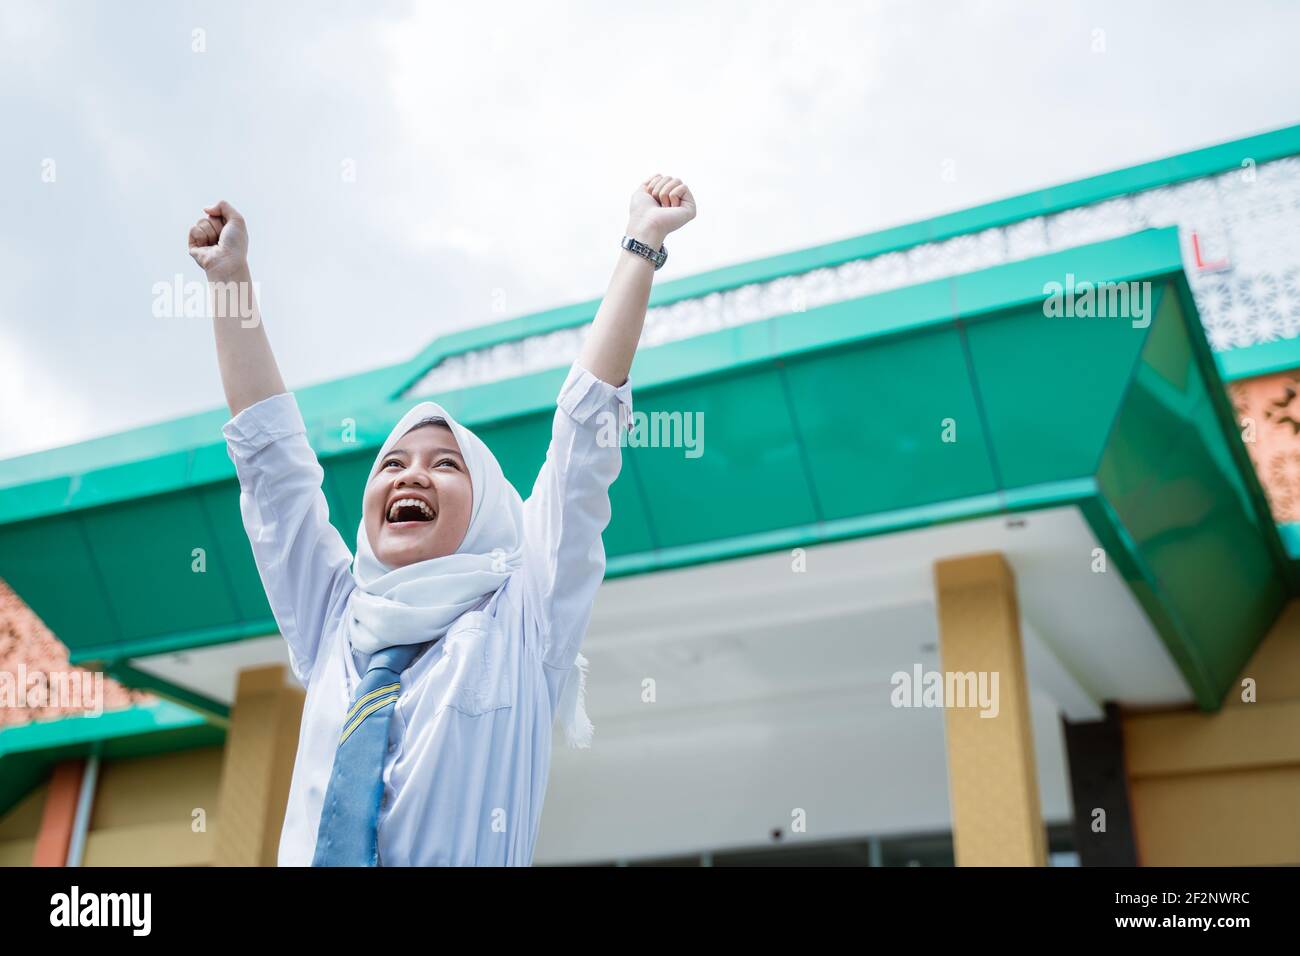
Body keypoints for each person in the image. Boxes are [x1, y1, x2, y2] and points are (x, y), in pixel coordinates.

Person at [187, 175, 697, 865]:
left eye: (445, 464)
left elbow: (582, 445)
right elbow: (273, 469)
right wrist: (230, 280)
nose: (411, 474)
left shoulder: (524, 615)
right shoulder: (337, 619)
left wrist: (641, 245)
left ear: (491, 510)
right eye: (392, 464)